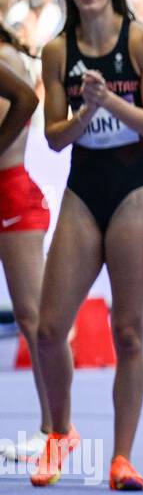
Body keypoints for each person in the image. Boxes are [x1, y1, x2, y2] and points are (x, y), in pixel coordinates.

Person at [33, 0, 143, 490]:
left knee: (128, 331)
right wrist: (86, 109)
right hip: (83, 189)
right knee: (47, 330)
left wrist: (109, 103)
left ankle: (121, 457)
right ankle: (60, 432)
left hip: (135, 189)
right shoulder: (54, 51)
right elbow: (52, 137)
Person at [0, 25, 48, 462]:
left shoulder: (7, 59)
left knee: (33, 317)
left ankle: (54, 428)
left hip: (11, 193)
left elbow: (25, 102)